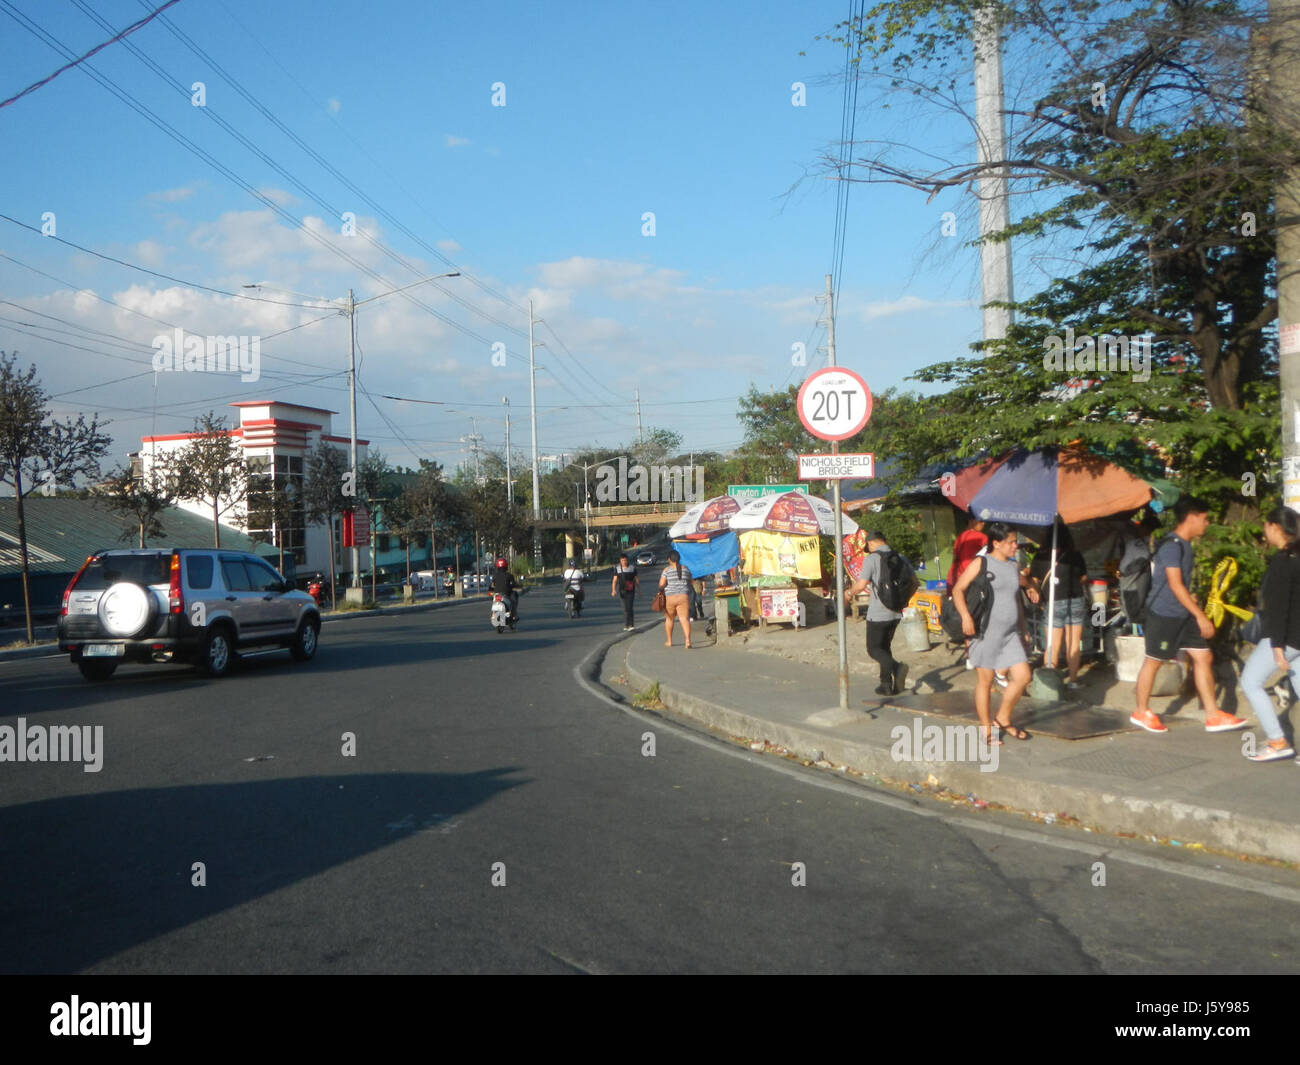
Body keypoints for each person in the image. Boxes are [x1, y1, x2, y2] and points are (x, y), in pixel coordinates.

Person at [1131, 497, 1247, 734]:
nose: (1207, 524)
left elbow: (1179, 585)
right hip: (1164, 615)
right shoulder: (1172, 545)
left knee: (1203, 657)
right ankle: (1141, 711)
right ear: (1192, 517)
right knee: (1154, 660)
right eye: (1205, 519)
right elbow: (1175, 585)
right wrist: (1201, 616)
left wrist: (1192, 604)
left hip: (1183, 614)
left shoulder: (1185, 545)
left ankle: (1213, 716)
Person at [952, 522, 1041, 744]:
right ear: (996, 543)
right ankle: (986, 728)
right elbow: (958, 589)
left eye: (1015, 542)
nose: (1015, 546)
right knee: (986, 681)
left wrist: (1023, 628)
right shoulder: (982, 563)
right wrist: (965, 617)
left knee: (1023, 677)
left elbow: (1016, 600)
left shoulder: (1012, 567)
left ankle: (1002, 718)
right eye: (1011, 542)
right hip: (985, 632)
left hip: (1010, 633)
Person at [1239, 507, 1300, 762]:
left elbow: (1279, 606)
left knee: (1250, 682)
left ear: (1275, 527)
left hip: (1285, 636)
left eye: (1266, 526)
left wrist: (1276, 645)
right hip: (1297, 637)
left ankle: (1277, 741)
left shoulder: (1283, 560)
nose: (1264, 532)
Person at [844, 531, 905, 695]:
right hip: (896, 612)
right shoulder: (900, 557)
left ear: (872, 543)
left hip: (878, 613)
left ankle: (897, 668)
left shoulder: (872, 558)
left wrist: (849, 593)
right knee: (885, 647)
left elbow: (861, 584)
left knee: (874, 649)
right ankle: (886, 685)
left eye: (869, 546)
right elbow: (911, 582)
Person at [1029, 524, 1089, 689]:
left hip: (1053, 602)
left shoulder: (1040, 557)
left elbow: (1034, 581)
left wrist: (1034, 591)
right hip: (1076, 600)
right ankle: (1073, 680)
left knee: (1052, 645)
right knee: (1073, 643)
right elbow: (1083, 578)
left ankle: (1050, 683)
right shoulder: (1075, 556)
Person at [659, 549, 693, 648]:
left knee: (669, 619)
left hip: (670, 598)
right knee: (684, 619)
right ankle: (687, 641)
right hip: (683, 597)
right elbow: (691, 581)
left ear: (669, 559)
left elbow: (661, 584)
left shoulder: (666, 570)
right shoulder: (686, 569)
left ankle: (669, 641)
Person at [947, 518, 987, 591]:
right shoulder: (982, 537)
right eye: (981, 521)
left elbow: (955, 558)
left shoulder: (960, 537)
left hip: (954, 577)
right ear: (971, 521)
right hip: (970, 579)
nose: (983, 523)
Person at [611, 553, 639, 630]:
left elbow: (636, 579)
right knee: (625, 608)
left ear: (627, 560)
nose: (624, 562)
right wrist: (613, 590)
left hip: (631, 590)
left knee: (629, 607)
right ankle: (626, 625)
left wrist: (639, 591)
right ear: (620, 561)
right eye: (622, 560)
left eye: (625, 560)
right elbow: (615, 580)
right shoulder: (617, 569)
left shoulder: (632, 568)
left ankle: (631, 625)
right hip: (622, 591)